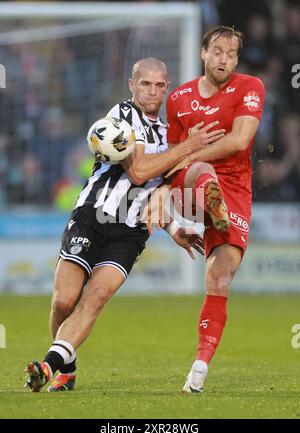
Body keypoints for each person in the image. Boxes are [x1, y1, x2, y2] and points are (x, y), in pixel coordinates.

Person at [24, 57, 224, 392]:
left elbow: (156, 189)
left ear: (167, 87)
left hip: (131, 232)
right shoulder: (122, 115)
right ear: (132, 85)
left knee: (97, 297)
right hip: (93, 216)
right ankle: (67, 367)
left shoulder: (168, 135)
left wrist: (174, 228)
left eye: (160, 85)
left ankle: (49, 366)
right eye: (146, 83)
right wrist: (189, 147)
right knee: (64, 301)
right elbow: (140, 172)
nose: (153, 92)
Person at [153, 26, 265, 393]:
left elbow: (240, 140)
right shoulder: (178, 98)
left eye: (231, 54)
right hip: (192, 183)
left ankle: (198, 369)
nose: (224, 59)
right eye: (218, 51)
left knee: (221, 277)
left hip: (235, 191)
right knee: (201, 172)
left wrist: (192, 149)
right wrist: (163, 191)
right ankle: (208, 194)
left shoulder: (250, 87)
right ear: (204, 53)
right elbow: (171, 158)